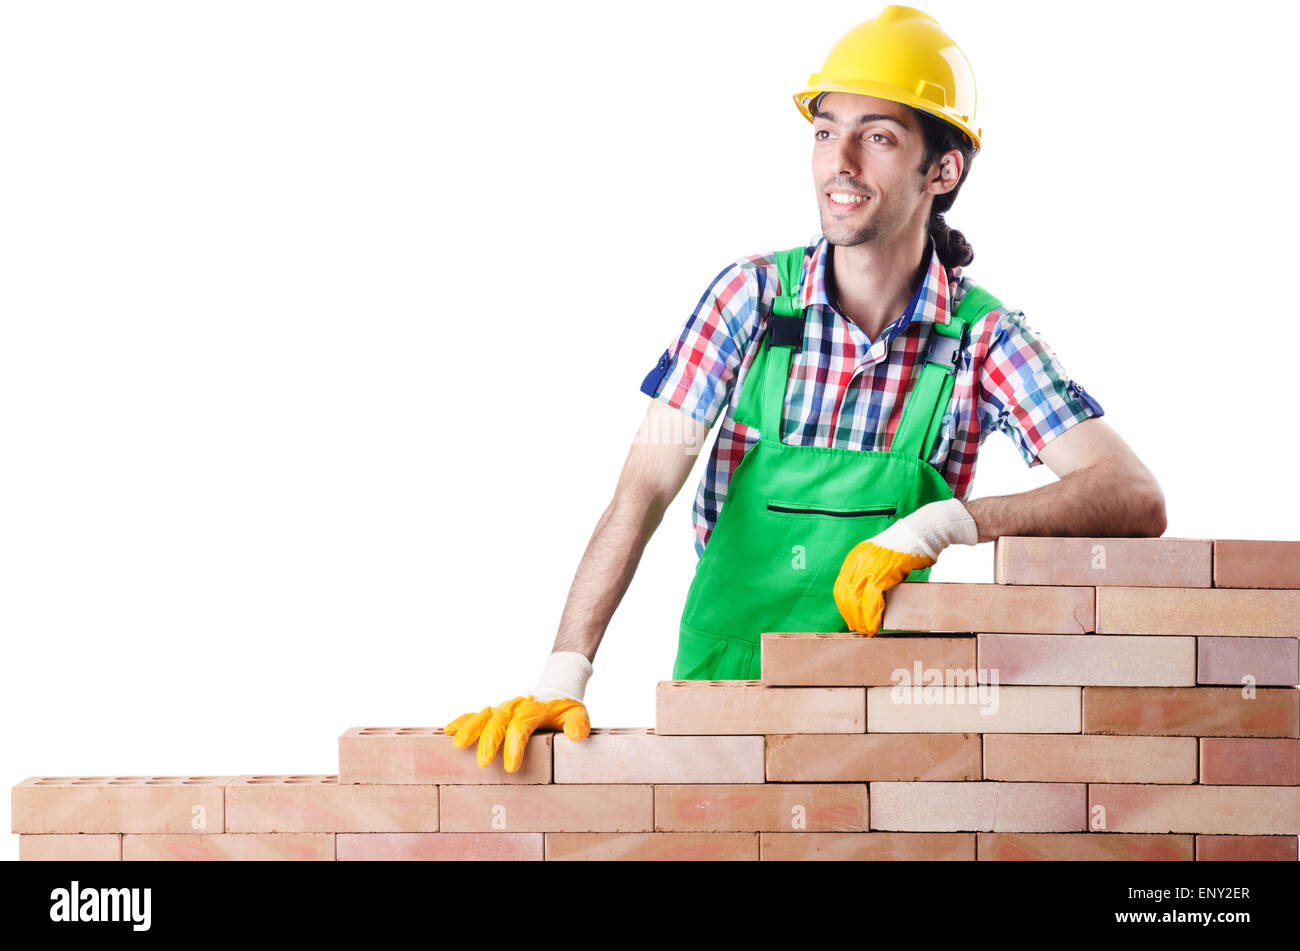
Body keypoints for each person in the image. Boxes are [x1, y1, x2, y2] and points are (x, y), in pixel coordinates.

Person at [444, 5, 1166, 771]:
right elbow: (641, 491)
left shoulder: (979, 339)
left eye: (877, 136)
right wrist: (566, 669)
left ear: (944, 170)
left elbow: (1132, 493)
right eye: (826, 131)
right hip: (722, 694)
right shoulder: (747, 299)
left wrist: (945, 525)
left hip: (881, 710)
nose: (840, 161)